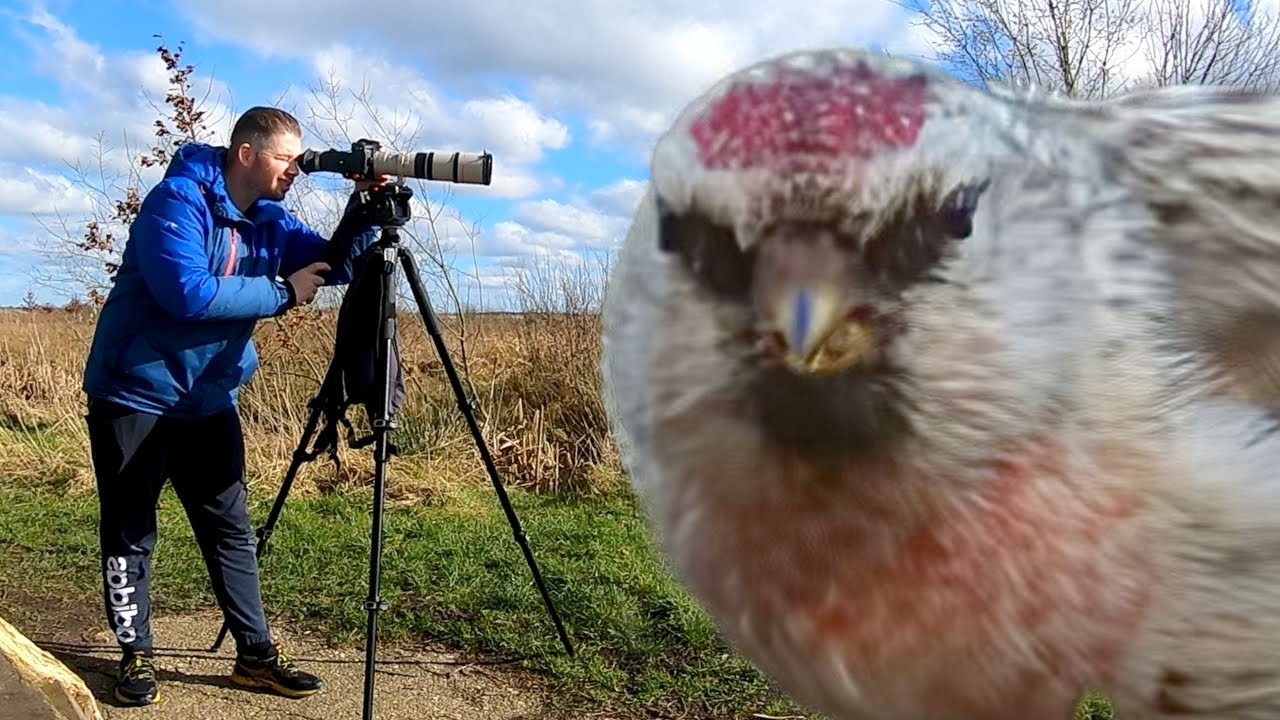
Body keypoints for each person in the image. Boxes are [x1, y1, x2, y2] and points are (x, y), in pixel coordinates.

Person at [80, 106, 381, 707]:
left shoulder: (270, 218)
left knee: (230, 531)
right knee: (130, 530)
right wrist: (278, 293)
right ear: (246, 154)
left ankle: (255, 657)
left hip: (209, 399)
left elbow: (333, 265)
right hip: (134, 394)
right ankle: (136, 652)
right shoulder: (178, 201)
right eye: (285, 158)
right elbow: (187, 293)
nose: (296, 169)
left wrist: (363, 210)